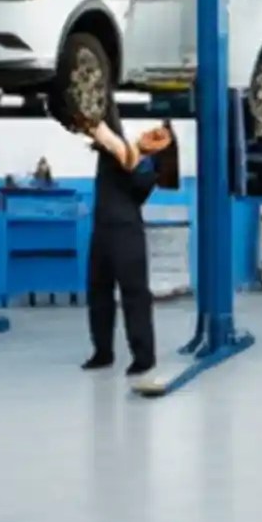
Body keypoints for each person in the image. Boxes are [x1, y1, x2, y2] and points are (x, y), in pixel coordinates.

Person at [79, 108, 179, 375]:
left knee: (134, 295)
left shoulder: (146, 170)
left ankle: (144, 357)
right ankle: (102, 351)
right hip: (101, 231)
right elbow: (104, 138)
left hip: (126, 233)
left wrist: (142, 153)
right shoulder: (112, 154)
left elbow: (137, 177)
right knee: (98, 293)